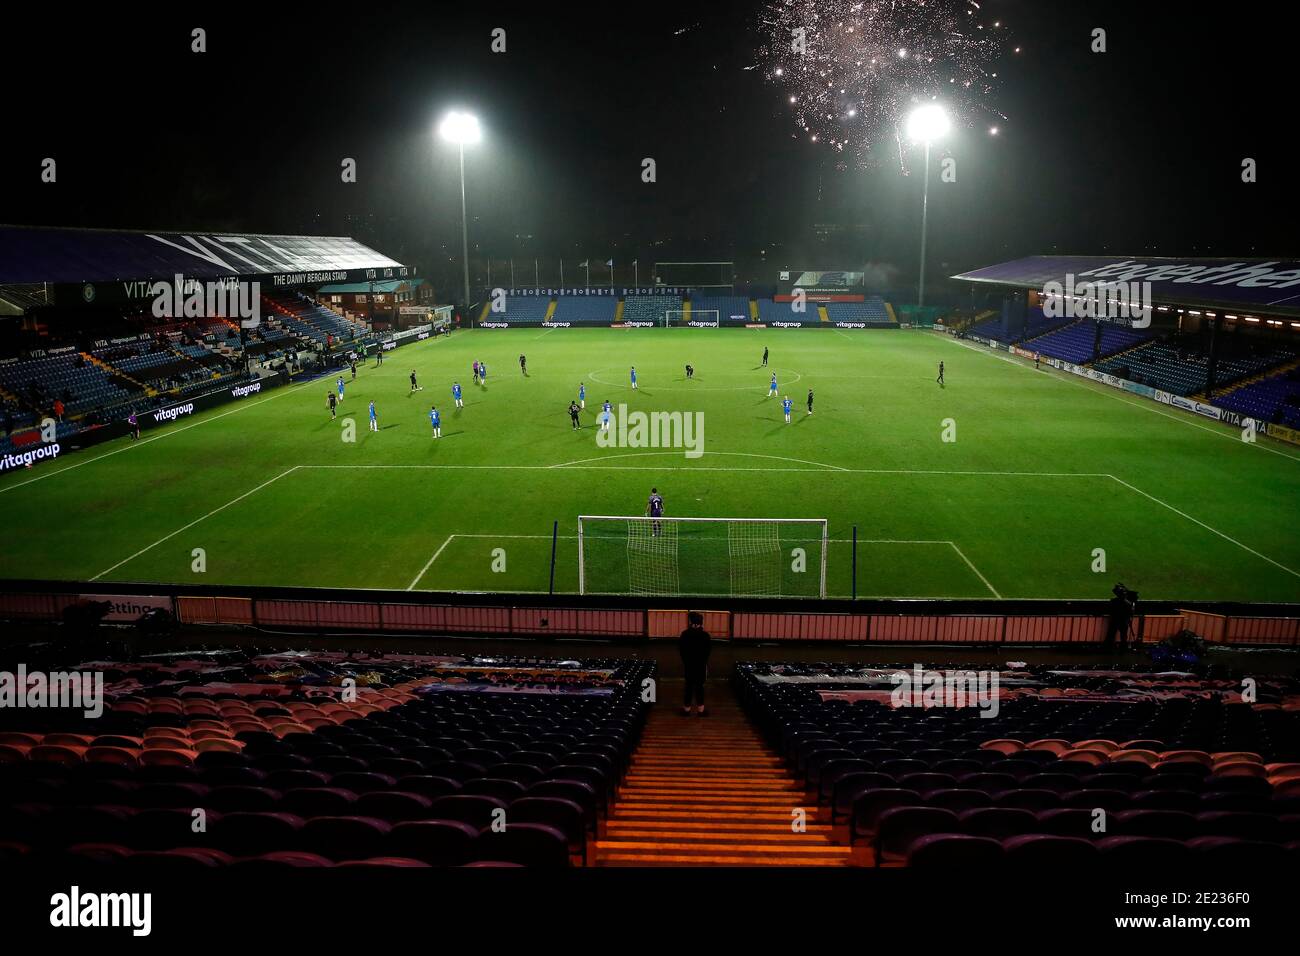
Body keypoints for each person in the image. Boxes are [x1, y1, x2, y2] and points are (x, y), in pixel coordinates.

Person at [678, 611, 712, 717]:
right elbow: (708, 652)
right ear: (701, 623)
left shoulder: (685, 634)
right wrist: (703, 662)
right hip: (700, 666)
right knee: (699, 688)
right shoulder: (705, 636)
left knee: (688, 687)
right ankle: (701, 711)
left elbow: (681, 651)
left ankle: (686, 710)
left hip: (689, 665)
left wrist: (687, 662)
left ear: (690, 622)